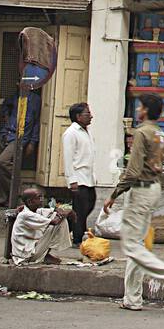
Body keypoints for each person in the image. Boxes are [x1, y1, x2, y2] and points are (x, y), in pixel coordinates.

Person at [105, 93, 164, 311]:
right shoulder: (161, 134)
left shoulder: (141, 133)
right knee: (138, 244)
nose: (137, 110)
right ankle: (132, 298)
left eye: (139, 106)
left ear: (144, 110)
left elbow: (132, 170)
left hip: (140, 189)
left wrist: (114, 194)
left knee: (131, 245)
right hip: (154, 188)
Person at [0, 96, 40, 206]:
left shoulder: (35, 100)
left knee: (2, 162)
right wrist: (6, 116)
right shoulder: (15, 98)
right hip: (7, 134)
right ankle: (4, 198)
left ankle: (17, 189)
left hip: (20, 138)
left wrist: (32, 142)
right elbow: (5, 104)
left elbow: (37, 122)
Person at [10, 187, 73, 265]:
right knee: (61, 221)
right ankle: (44, 255)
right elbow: (55, 222)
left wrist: (63, 211)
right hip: (26, 256)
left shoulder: (35, 210)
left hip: (29, 250)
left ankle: (45, 254)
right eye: (39, 197)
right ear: (30, 202)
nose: (42, 199)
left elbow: (55, 210)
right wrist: (64, 214)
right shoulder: (26, 214)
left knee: (55, 216)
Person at [62, 102, 96, 247]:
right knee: (80, 209)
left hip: (88, 176)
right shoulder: (71, 133)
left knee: (90, 203)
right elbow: (68, 158)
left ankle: (70, 226)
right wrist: (72, 180)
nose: (91, 117)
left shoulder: (85, 131)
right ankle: (77, 238)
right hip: (78, 176)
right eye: (87, 114)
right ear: (78, 116)